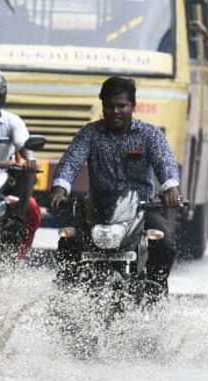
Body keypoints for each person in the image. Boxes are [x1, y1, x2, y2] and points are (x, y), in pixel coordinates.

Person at [50, 76, 185, 293]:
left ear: (133, 106)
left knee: (165, 243)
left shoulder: (150, 135)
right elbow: (71, 162)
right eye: (109, 106)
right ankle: (65, 297)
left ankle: (154, 294)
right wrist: (60, 188)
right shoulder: (90, 133)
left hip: (140, 209)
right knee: (69, 241)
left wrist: (171, 188)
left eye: (121, 106)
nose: (115, 112)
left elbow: (165, 162)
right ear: (102, 107)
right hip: (97, 211)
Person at [0, 69, 41, 257]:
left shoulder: (12, 121)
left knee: (31, 209)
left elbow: (23, 144)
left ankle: (18, 251)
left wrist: (30, 160)